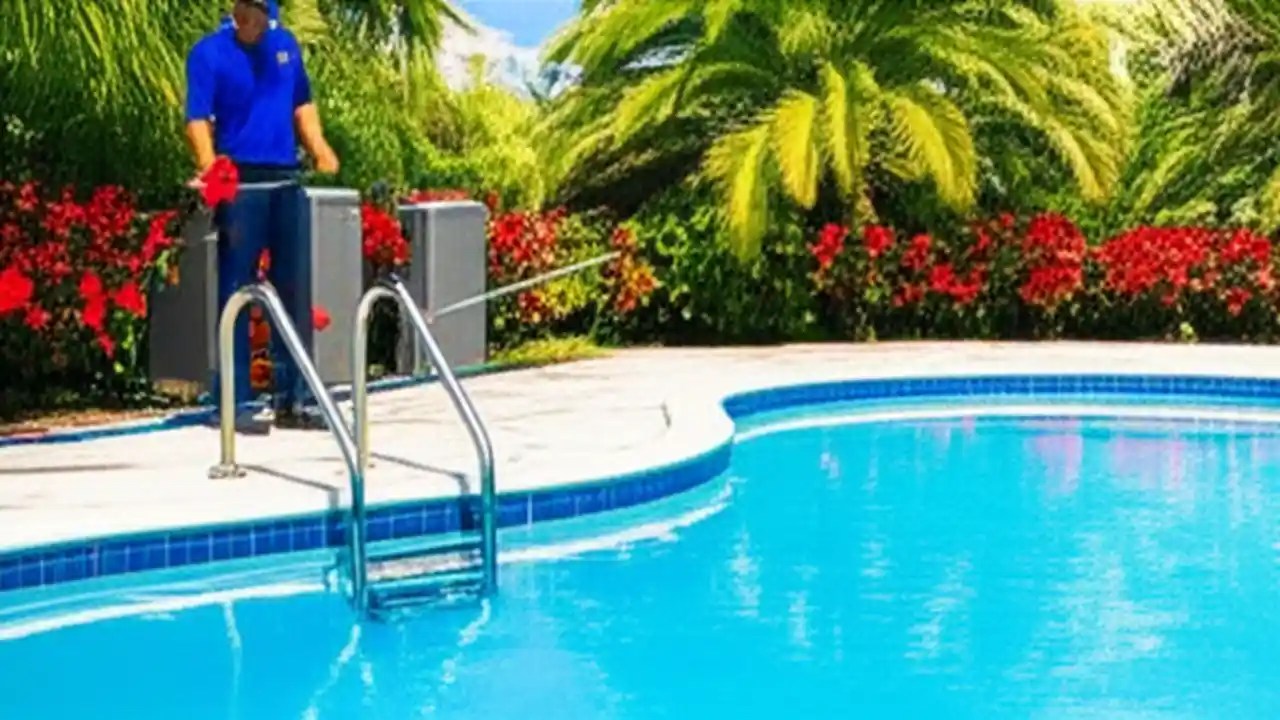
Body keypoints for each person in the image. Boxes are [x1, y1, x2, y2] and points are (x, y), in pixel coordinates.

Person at [185, 0, 339, 433]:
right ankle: (234, 401)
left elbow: (302, 102)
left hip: (286, 176)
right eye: (242, 11)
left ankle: (294, 397)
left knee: (293, 287)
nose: (249, 21)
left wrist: (320, 148)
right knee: (237, 287)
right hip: (241, 178)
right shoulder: (209, 52)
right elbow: (197, 118)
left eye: (257, 13)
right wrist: (210, 166)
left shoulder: (285, 46)